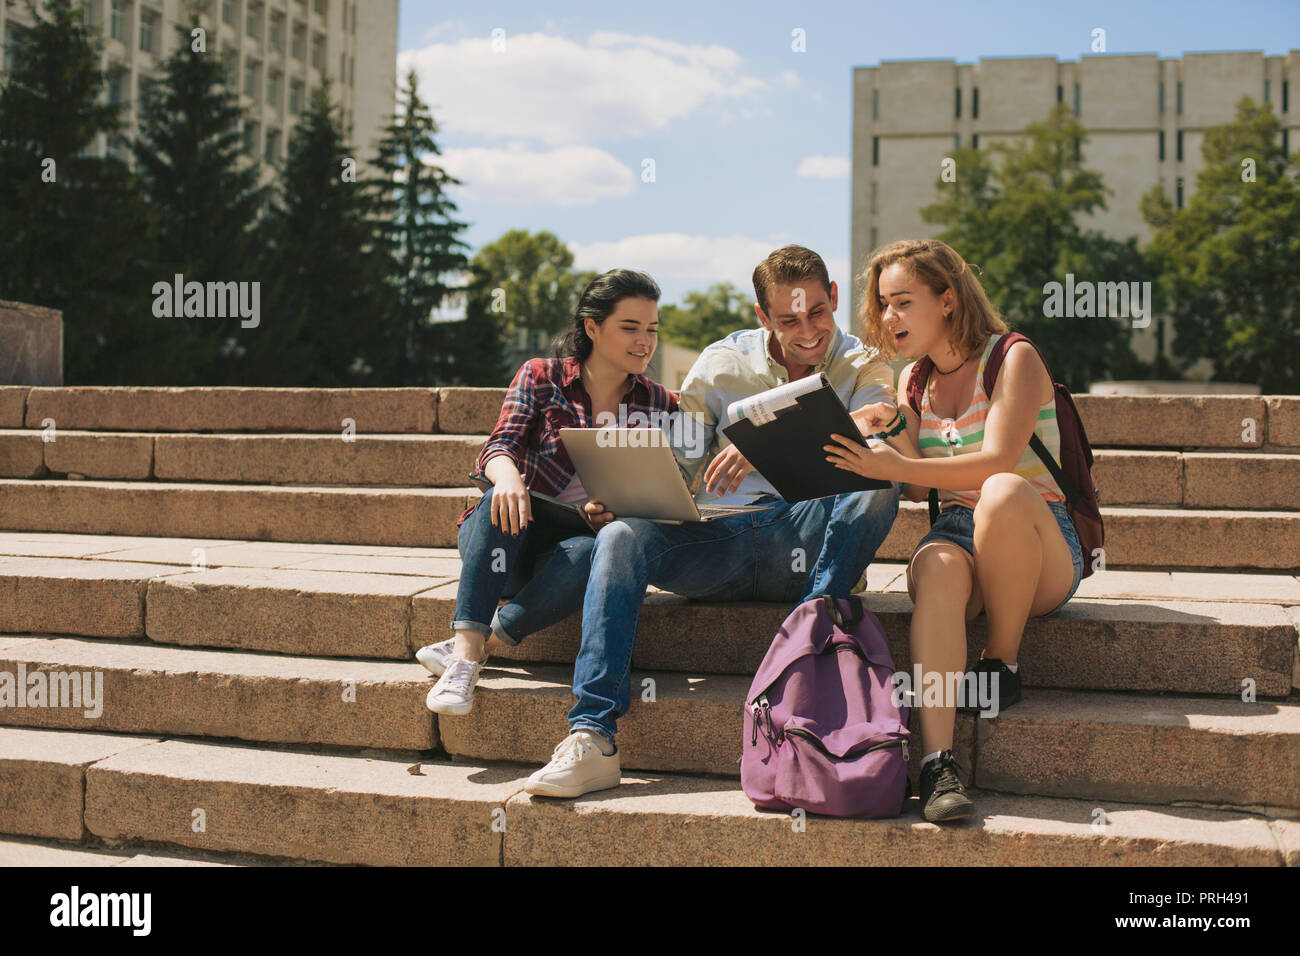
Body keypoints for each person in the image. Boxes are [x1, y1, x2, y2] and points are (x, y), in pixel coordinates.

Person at [520, 244, 901, 799]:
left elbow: (878, 418)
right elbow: (682, 459)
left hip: (814, 541)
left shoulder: (863, 360)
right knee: (623, 535)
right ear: (761, 316)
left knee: (878, 485)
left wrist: (768, 436)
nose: (808, 330)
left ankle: (802, 645)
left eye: (818, 312)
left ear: (835, 298)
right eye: (788, 319)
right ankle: (592, 737)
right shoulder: (723, 362)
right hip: (724, 539)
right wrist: (630, 493)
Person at [825, 238, 1085, 824]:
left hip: (1039, 543)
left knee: (1001, 489)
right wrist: (890, 426)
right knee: (938, 566)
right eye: (883, 304)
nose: (889, 318)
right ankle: (937, 764)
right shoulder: (912, 380)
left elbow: (998, 459)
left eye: (903, 302)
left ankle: (1002, 662)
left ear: (946, 300)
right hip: (959, 536)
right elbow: (919, 490)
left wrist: (897, 465)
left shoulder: (1012, 357)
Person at [419, 269, 677, 718]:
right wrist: (508, 478)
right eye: (630, 327)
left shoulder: (660, 403)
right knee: (495, 502)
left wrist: (614, 515)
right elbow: (499, 446)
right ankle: (463, 655)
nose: (645, 342)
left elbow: (660, 491)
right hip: (505, 538)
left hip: (569, 553)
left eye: (652, 329)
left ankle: (481, 647)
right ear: (593, 327)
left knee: (596, 550)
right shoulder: (541, 376)